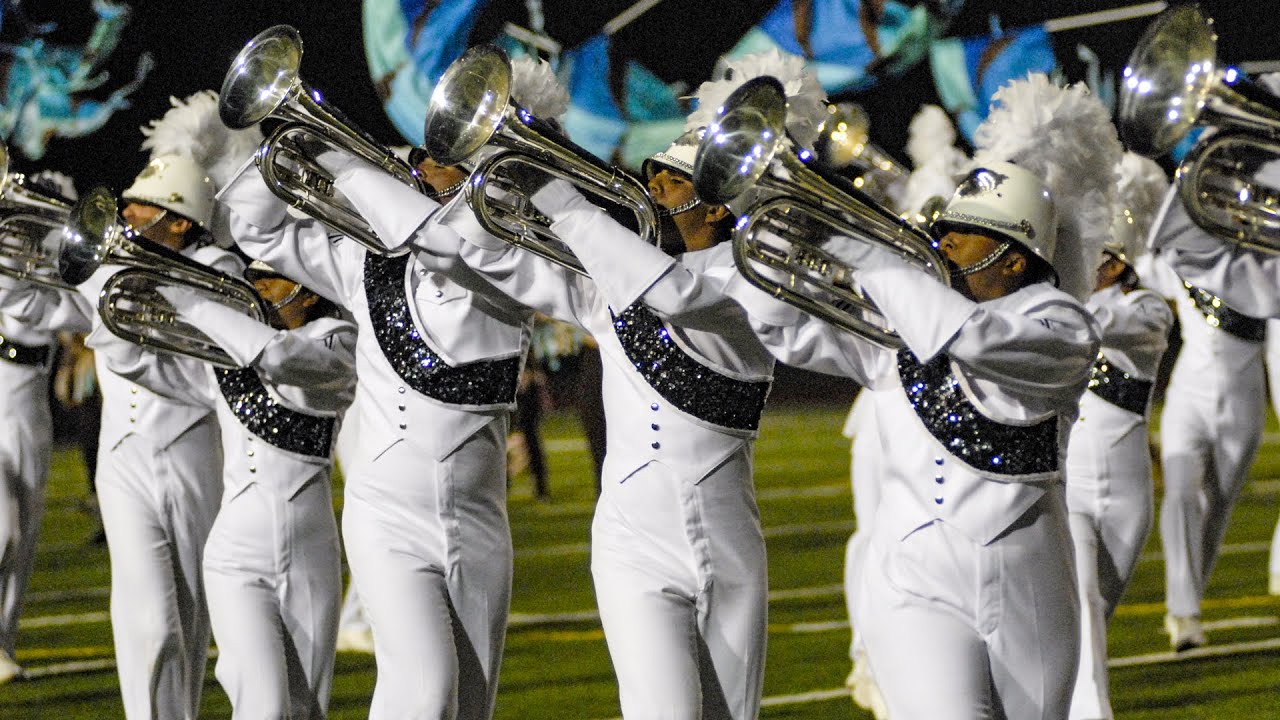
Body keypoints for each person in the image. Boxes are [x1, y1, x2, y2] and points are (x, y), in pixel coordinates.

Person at [732, 74, 1115, 718]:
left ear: (1014, 260)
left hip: (1031, 577)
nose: (940, 247)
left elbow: (971, 337)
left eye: (961, 237)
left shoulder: (1064, 327)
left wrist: (864, 252)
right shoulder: (899, 320)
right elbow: (788, 332)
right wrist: (771, 245)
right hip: (914, 582)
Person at [211, 56, 570, 720]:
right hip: (386, 517)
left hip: (480, 522)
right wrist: (303, 138)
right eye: (432, 156)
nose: (428, 167)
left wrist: (362, 169)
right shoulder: (362, 259)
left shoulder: (515, 261)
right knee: (422, 687)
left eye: (450, 158)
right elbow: (253, 224)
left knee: (466, 705)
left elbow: (448, 245)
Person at [0, 91, 256, 718]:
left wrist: (136, 336)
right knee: (148, 619)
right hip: (124, 461)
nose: (129, 217)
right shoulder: (105, 264)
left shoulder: (217, 274)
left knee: (190, 616)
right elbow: (37, 310)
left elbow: (211, 382)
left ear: (182, 221)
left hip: (193, 454)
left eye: (145, 210)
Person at [95, 261, 356, 719]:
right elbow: (156, 375)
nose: (254, 292)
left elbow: (285, 358)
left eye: (268, 281)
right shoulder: (226, 350)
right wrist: (122, 323)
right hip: (235, 555)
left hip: (312, 554)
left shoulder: (340, 338)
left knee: (305, 708)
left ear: (308, 292)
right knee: (263, 705)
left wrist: (196, 305)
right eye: (249, 282)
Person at [1065, 153, 1173, 720]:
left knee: (1087, 623)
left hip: (1128, 500)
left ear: (1117, 261)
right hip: (1069, 490)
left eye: (1094, 257)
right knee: (1078, 601)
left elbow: (1110, 326)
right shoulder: (1062, 310)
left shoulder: (1148, 308)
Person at [1145, 205, 1268, 651]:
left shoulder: (1265, 269)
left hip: (1243, 401)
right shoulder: (1181, 258)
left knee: (1216, 508)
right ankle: (1184, 613)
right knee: (1180, 496)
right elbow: (1129, 260)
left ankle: (1188, 601)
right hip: (1186, 397)